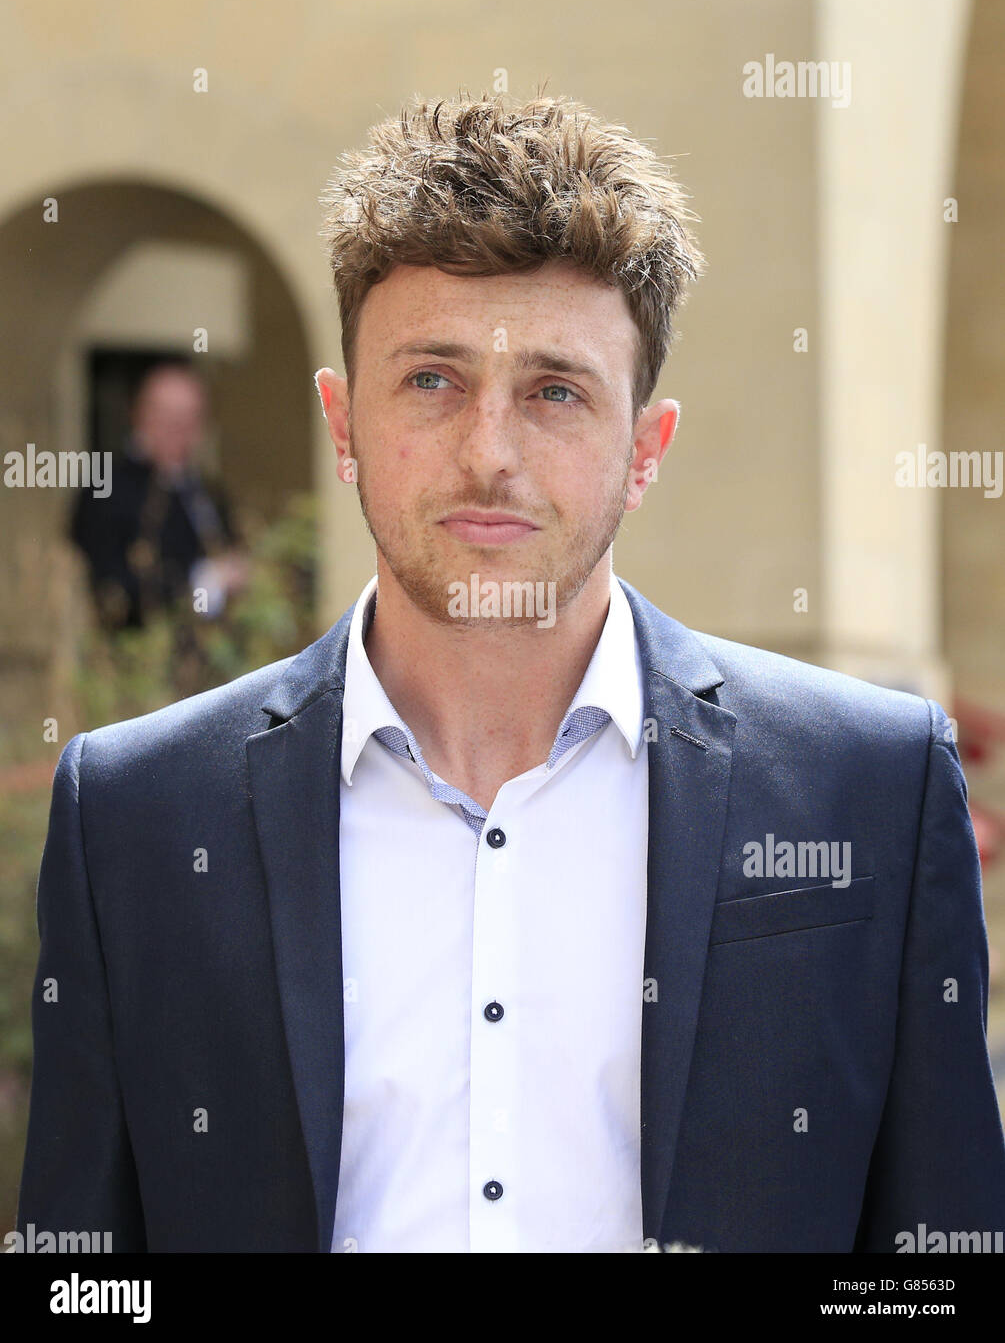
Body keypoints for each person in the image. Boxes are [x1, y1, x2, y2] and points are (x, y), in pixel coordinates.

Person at [15, 91, 1005, 1253]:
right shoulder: (134, 813)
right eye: (431, 380)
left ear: (646, 449)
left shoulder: (869, 787)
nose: (490, 452)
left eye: (554, 391)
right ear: (342, 423)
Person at [70, 361, 248, 629]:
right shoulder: (105, 488)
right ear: (140, 415)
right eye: (169, 418)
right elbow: (109, 585)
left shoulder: (206, 489)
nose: (181, 431)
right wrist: (201, 582)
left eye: (191, 419)